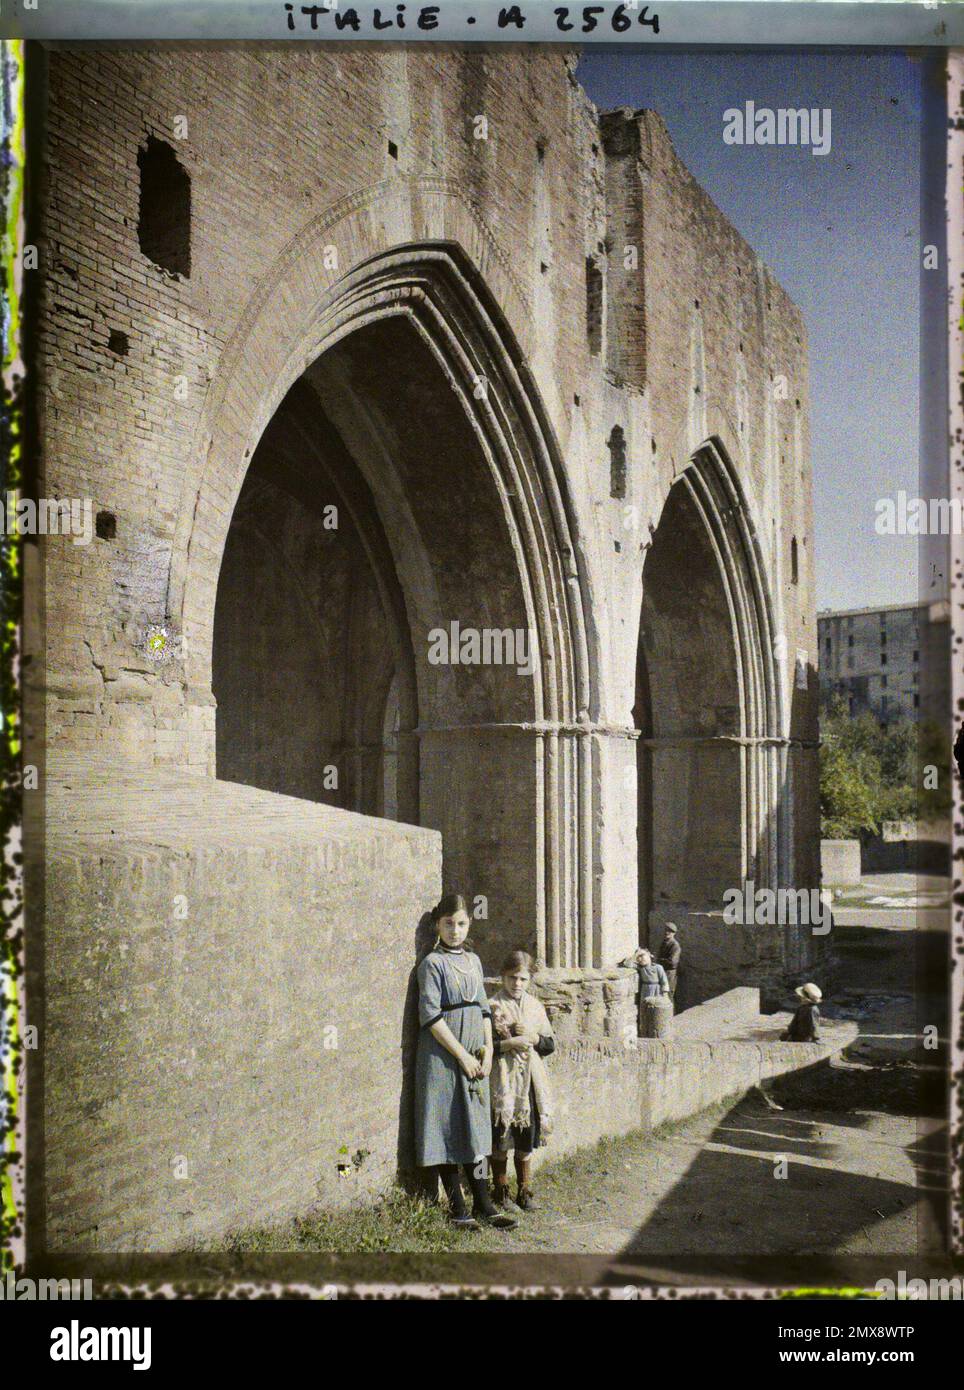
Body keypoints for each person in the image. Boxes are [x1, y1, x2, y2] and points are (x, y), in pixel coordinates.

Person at [414, 893, 517, 1230]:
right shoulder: (432, 965)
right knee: (448, 1126)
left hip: (476, 1055)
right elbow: (430, 1015)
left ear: (468, 925)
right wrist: (460, 1055)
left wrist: (488, 1049)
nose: (455, 930)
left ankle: (485, 1202)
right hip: (444, 1056)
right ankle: (459, 1208)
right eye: (448, 924)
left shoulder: (472, 961)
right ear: (437, 925)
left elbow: (484, 1009)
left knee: (475, 1128)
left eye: (460, 924)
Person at [489, 950, 555, 1212]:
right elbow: (484, 1046)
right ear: (503, 977)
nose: (517, 984)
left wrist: (534, 1037)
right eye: (512, 978)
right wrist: (508, 1043)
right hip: (502, 1082)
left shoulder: (535, 1007)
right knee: (501, 1138)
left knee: (525, 1137)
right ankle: (500, 1191)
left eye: (523, 979)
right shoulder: (493, 1006)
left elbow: (550, 1045)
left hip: (528, 1082)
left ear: (530, 980)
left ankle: (525, 1191)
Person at [618, 946, 670, 1035]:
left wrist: (665, 993)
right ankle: (644, 1031)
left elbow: (664, 981)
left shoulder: (658, 968)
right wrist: (635, 956)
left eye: (643, 955)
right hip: (645, 990)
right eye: (639, 957)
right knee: (644, 1010)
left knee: (656, 1009)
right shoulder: (640, 968)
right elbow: (627, 964)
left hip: (656, 989)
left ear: (649, 955)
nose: (641, 958)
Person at [658, 924, 681, 1001]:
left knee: (668, 994)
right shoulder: (664, 943)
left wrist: (659, 960)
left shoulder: (675, 945)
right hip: (663, 971)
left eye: (670, 932)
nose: (667, 933)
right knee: (661, 993)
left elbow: (672, 963)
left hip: (669, 973)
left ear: (674, 933)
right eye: (666, 930)